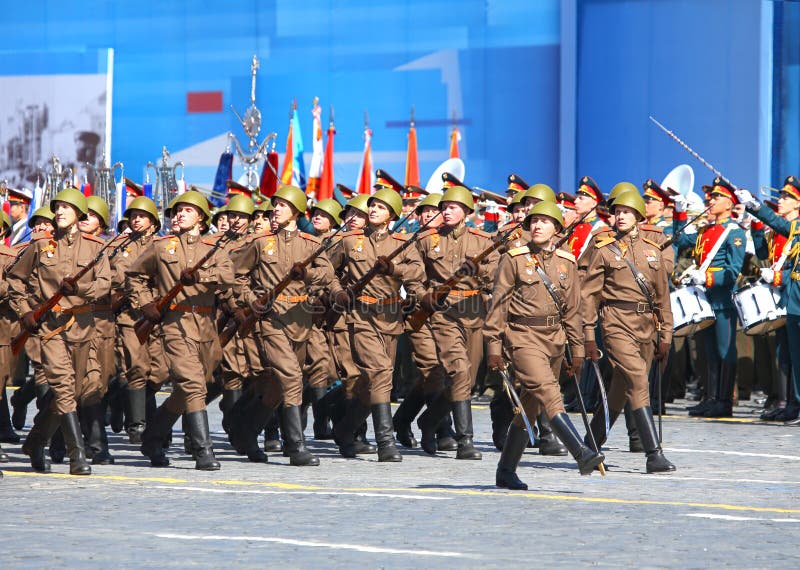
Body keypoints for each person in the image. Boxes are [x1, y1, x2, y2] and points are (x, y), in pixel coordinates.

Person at [486, 201, 605, 489]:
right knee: (549, 392)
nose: (537, 225)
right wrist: (492, 346)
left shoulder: (567, 261)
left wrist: (576, 351)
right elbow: (498, 307)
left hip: (554, 341)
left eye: (544, 221)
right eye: (533, 221)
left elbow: (573, 312)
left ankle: (505, 470)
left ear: (556, 228)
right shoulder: (513, 259)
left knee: (529, 406)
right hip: (522, 338)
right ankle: (582, 453)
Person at [128, 190, 234, 470]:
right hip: (176, 324)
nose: (179, 215)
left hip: (207, 327)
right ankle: (203, 451)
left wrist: (202, 276)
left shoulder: (214, 248)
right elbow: (135, 276)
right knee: (193, 385)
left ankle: (152, 438)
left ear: (201, 218)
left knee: (189, 389)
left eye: (187, 210)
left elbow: (228, 276)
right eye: (177, 211)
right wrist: (145, 304)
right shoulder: (161, 247)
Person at [9, 187, 112, 476]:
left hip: (82, 327)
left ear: (79, 213)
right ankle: (76, 455)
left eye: (66, 208)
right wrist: (25, 312)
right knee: (64, 388)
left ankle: (35, 441)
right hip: (51, 329)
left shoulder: (95, 247)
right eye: (57, 208)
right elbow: (15, 280)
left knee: (75, 392)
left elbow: (105, 285)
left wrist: (80, 288)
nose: (60, 212)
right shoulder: (41, 246)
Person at [228, 185, 333, 466]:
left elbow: (327, 273)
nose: (276, 210)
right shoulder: (262, 243)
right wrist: (251, 299)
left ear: (297, 212)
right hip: (271, 319)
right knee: (291, 377)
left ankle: (246, 432)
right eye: (275, 205)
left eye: (283, 206)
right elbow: (236, 275)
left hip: (301, 319)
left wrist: (308, 273)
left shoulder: (311, 245)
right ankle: (296, 446)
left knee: (277, 386)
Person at [581, 189, 676, 474]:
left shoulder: (653, 250)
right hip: (615, 321)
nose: (620, 216)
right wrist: (587, 334)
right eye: (616, 212)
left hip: (647, 325)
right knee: (637, 380)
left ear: (637, 215)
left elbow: (662, 297)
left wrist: (666, 336)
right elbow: (588, 295)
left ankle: (590, 443)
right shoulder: (603, 248)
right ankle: (653, 453)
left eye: (626, 211)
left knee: (620, 391)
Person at [328, 188, 426, 461]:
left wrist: (396, 271)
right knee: (381, 372)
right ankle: (386, 441)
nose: (373, 210)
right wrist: (338, 292)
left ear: (392, 215)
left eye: (381, 207)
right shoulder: (350, 241)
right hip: (360, 316)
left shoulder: (403, 243)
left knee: (371, 384)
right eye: (372, 206)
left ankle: (345, 430)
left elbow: (417, 273)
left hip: (390, 317)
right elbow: (327, 270)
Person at [415, 185, 500, 459]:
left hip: (474, 313)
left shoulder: (482, 241)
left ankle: (428, 421)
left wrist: (481, 270)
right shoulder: (427, 240)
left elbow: (497, 276)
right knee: (459, 371)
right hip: (443, 314)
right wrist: (423, 297)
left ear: (465, 211)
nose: (446, 211)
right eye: (444, 207)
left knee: (464, 381)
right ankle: (465, 441)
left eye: (452, 207)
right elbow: (414, 276)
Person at [673, 178, 746, 418]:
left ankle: (724, 400)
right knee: (708, 352)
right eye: (710, 198)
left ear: (729, 202)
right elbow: (681, 240)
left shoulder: (734, 232)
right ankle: (711, 397)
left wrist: (708, 279)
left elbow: (733, 270)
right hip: (704, 300)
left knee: (725, 350)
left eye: (715, 197)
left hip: (722, 299)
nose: (710, 201)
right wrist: (680, 213)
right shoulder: (706, 230)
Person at [736, 179, 800, 426]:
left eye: (786, 198)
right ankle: (792, 403)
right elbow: (777, 224)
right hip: (791, 301)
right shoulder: (792, 229)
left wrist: (778, 276)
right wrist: (753, 205)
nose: (781, 201)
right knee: (791, 356)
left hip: (790, 295)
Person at [112, 197, 164, 445]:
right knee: (137, 368)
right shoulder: (119, 246)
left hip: (157, 315)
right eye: (133, 216)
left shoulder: (164, 245)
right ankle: (138, 425)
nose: (136, 220)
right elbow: (112, 277)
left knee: (160, 371)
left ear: (153, 223)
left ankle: (132, 405)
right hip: (129, 316)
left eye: (141, 216)